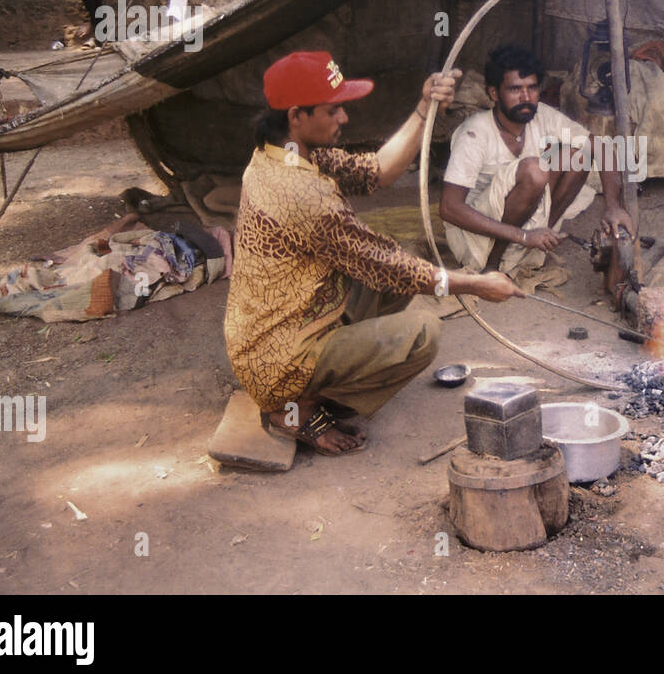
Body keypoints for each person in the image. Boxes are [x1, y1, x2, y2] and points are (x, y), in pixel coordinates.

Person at [224, 51, 523, 457]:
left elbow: (377, 170)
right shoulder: (300, 192)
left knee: (395, 274)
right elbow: (385, 265)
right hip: (277, 361)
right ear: (296, 116)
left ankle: (317, 381)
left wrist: (424, 108)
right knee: (422, 333)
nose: (344, 119)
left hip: (275, 330)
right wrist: (475, 284)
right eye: (333, 111)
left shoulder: (284, 154)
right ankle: (296, 408)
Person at [439, 44, 633, 275]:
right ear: (494, 94)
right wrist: (522, 236)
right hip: (476, 243)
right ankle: (493, 266)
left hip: (524, 232)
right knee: (534, 169)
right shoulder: (474, 134)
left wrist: (613, 207)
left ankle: (538, 243)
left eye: (532, 88)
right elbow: (449, 208)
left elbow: (601, 147)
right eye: (514, 89)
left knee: (577, 155)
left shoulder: (541, 115)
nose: (526, 97)